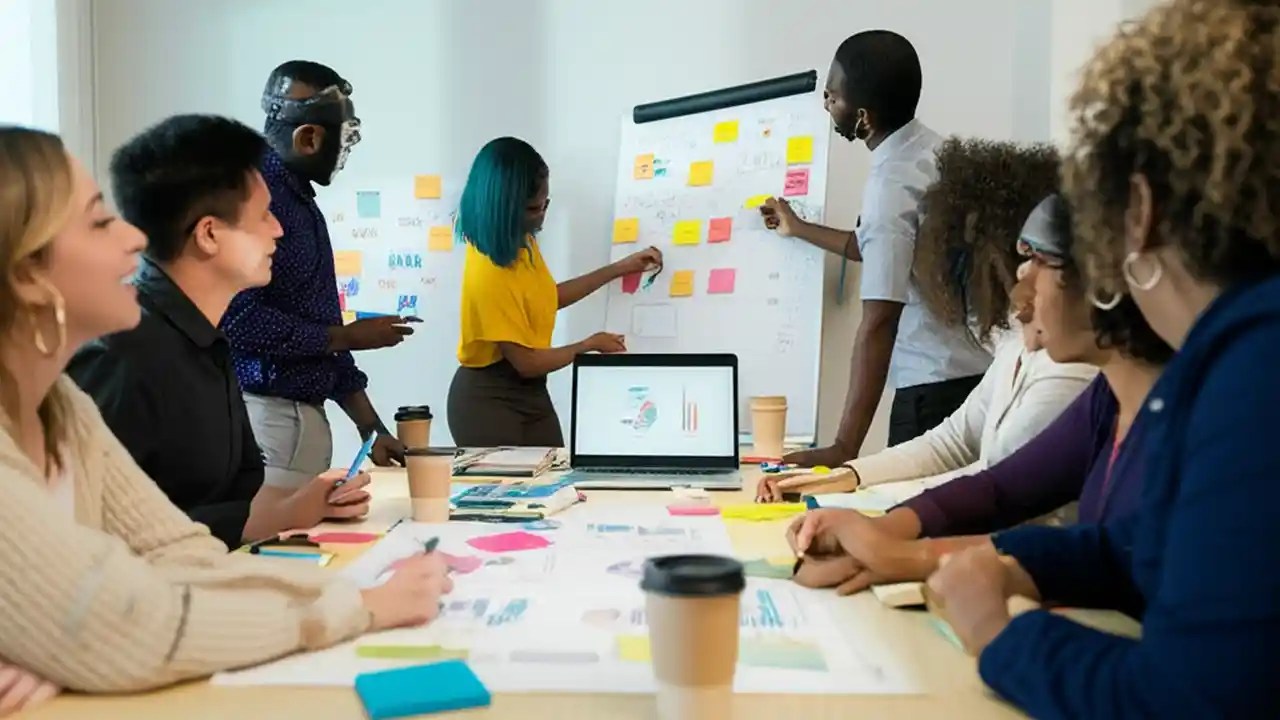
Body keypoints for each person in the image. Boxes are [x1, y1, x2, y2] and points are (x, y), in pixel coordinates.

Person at [0, 126, 450, 703]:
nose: (133, 240)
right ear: (26, 275)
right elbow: (122, 623)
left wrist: (349, 593)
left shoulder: (67, 411)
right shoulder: (110, 371)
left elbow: (181, 555)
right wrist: (354, 608)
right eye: (98, 221)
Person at [925, 1, 1280, 716]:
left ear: (1140, 208)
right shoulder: (1220, 358)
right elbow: (1139, 548)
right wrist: (1012, 564)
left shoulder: (1257, 371)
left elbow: (1184, 701)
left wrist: (999, 636)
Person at [786, 194, 1172, 594]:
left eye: (1041, 261)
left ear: (1104, 279)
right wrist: (878, 530)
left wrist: (904, 557)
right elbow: (1000, 488)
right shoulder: (1105, 400)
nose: (1022, 284)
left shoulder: (1134, 400)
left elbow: (1099, 558)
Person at [66, 115, 372, 548]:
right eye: (264, 215)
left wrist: (311, 499)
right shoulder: (121, 354)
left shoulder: (206, 338)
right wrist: (289, 511)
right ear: (208, 234)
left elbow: (227, 501)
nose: (278, 230)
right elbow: (105, 534)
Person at [758, 140, 1096, 501]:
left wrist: (851, 494)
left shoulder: (1068, 368)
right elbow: (953, 442)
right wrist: (844, 477)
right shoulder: (1014, 349)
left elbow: (993, 480)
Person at [761, 31, 992, 466]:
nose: (826, 99)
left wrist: (844, 448)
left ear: (863, 117)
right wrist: (799, 228)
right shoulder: (932, 152)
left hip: (930, 397)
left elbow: (879, 320)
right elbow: (877, 247)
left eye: (833, 93)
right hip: (973, 378)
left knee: (908, 526)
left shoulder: (891, 187)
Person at [221, 60, 412, 489]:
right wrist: (346, 336)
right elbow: (236, 318)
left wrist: (372, 428)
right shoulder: (259, 200)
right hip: (270, 417)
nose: (349, 149)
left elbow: (321, 331)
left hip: (294, 420)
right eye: (347, 136)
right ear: (308, 138)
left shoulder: (298, 200)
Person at [447, 137, 661, 446]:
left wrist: (619, 268)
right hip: (489, 399)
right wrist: (588, 344)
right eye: (534, 208)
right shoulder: (489, 271)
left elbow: (547, 300)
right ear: (504, 207)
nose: (542, 215)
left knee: (559, 485)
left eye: (546, 204)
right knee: (511, 493)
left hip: (531, 391)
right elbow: (526, 362)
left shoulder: (520, 241)